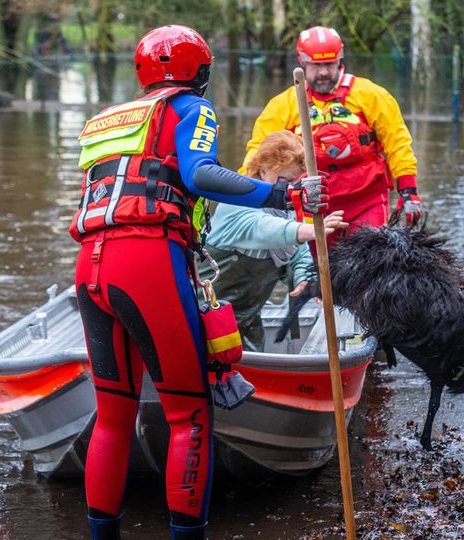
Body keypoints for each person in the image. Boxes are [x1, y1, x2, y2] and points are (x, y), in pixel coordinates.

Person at [69, 25, 327, 540]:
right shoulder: (190, 108)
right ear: (198, 72)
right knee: (189, 416)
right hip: (147, 265)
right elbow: (200, 174)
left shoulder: (105, 120)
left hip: (91, 268)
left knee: (112, 417)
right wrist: (283, 195)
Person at [241, 25, 422, 245]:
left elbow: (398, 142)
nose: (324, 72)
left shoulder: (371, 95)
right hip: (312, 204)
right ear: (303, 63)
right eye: (316, 65)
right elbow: (259, 152)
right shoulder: (284, 105)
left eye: (329, 64)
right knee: (317, 270)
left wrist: (408, 190)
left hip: (367, 199)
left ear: (340, 60)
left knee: (370, 262)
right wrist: (244, 196)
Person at [199, 131, 347, 351]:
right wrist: (311, 230)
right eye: (285, 180)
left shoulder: (285, 209)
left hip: (248, 318)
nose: (290, 188)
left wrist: (304, 279)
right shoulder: (235, 202)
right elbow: (262, 228)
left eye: (295, 181)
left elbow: (298, 253)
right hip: (205, 316)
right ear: (262, 171)